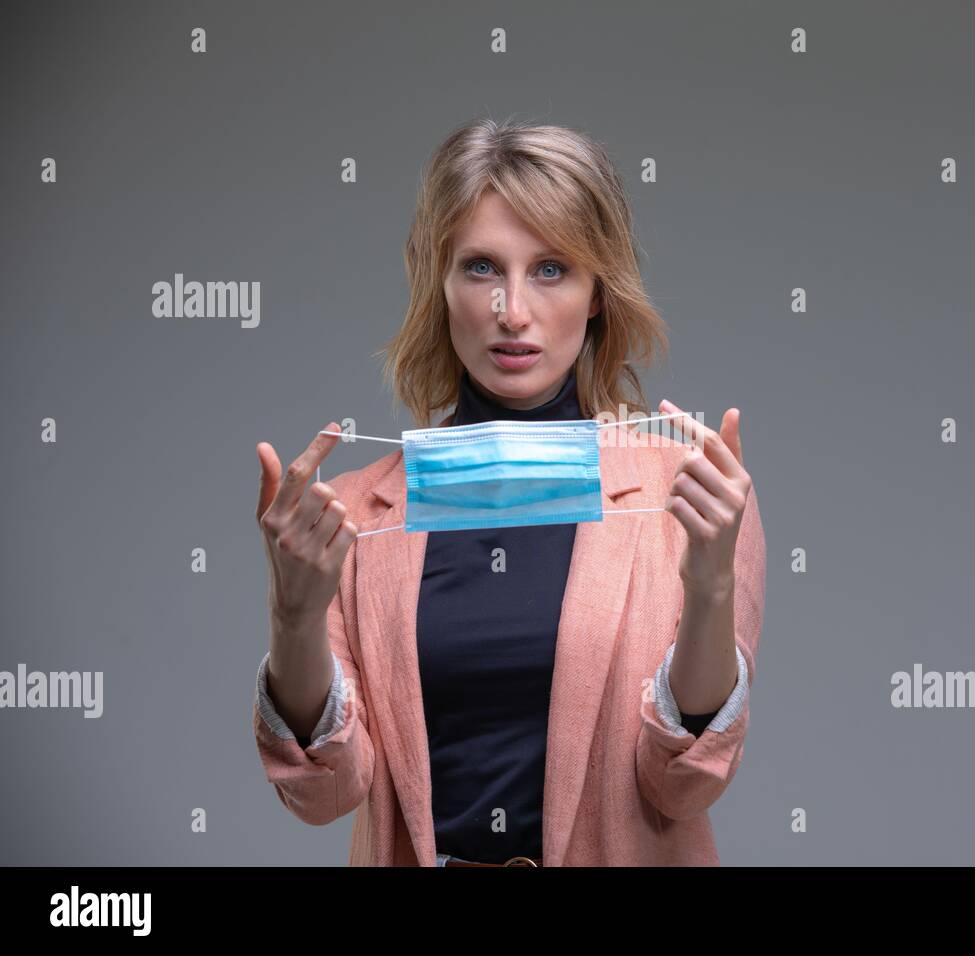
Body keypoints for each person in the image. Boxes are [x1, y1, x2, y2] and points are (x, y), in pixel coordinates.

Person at [251, 117, 766, 866]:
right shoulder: (355, 513)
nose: (512, 311)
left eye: (552, 268)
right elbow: (322, 794)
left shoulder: (691, 499)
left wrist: (711, 585)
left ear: (597, 293)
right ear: (442, 284)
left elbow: (683, 784)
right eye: (483, 267)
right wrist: (292, 612)